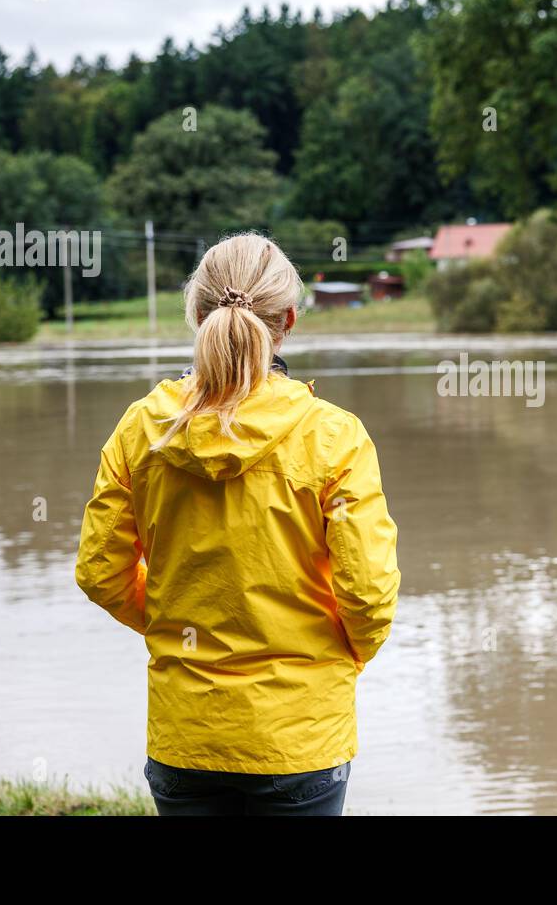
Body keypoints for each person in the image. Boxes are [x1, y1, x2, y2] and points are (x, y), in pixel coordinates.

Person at [74, 232, 400, 816]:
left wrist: (174, 622)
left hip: (186, 735)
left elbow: (101, 572)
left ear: (197, 315)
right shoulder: (335, 437)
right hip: (299, 738)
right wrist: (334, 659)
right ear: (290, 320)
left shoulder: (142, 428)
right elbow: (369, 596)